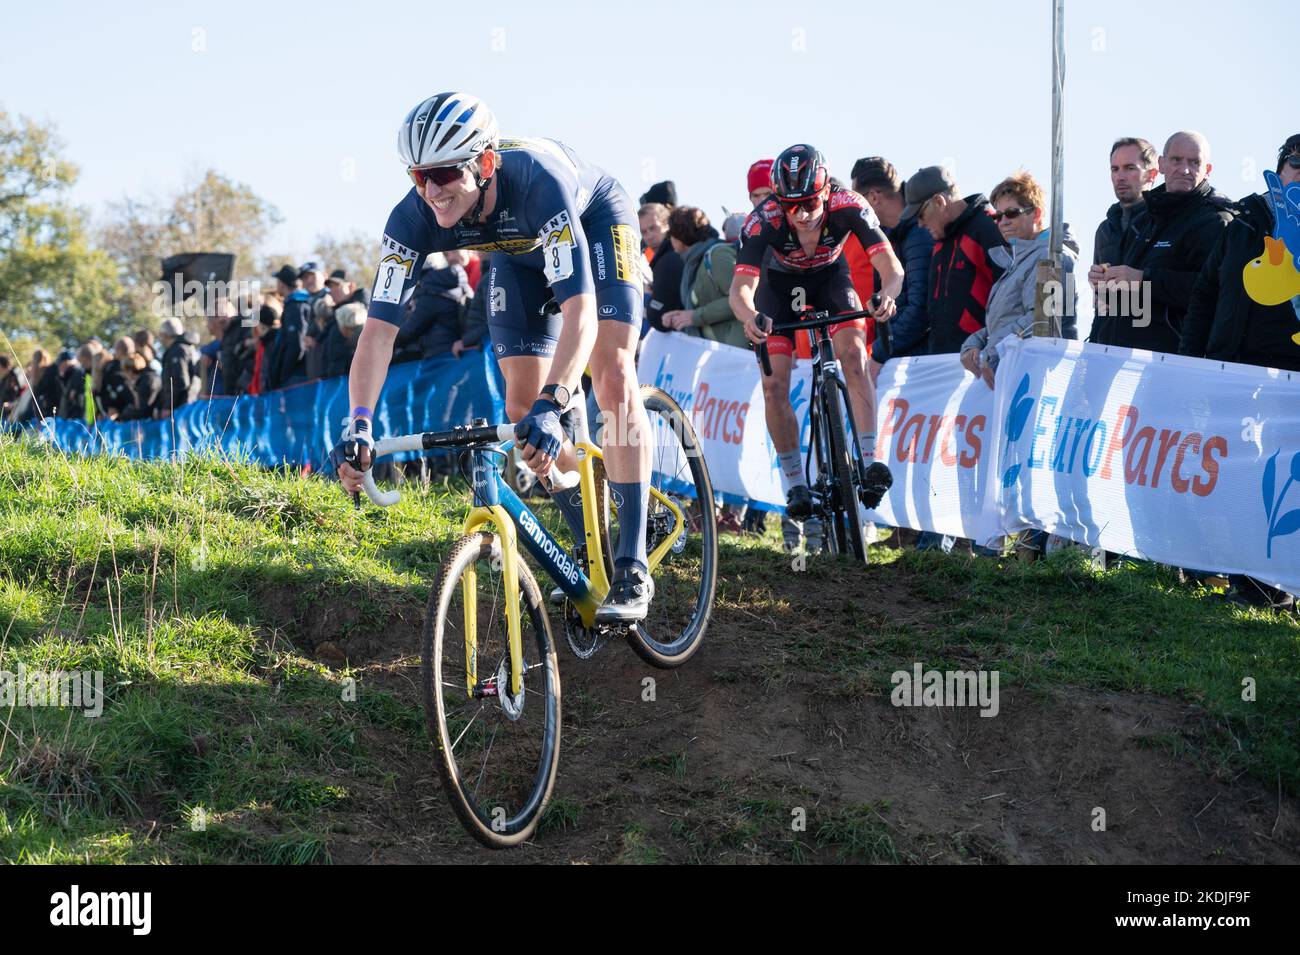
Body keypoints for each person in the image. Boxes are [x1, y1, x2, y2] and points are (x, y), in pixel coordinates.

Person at [332, 91, 658, 622]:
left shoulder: (538, 183)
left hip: (595, 224)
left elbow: (581, 311)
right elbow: (377, 333)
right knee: (518, 409)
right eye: (419, 176)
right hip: (516, 256)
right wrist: (360, 423)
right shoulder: (410, 218)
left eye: (444, 174)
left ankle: (632, 561)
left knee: (613, 373)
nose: (432, 191)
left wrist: (557, 402)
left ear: (484, 163)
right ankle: (588, 539)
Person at [729, 144, 903, 525]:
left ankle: (871, 461)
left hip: (830, 279)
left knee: (854, 360)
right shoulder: (764, 219)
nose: (802, 213)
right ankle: (795, 482)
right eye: (791, 205)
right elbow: (739, 289)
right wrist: (750, 316)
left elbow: (891, 267)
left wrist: (886, 296)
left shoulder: (849, 205)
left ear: (826, 192)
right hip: (778, 289)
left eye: (809, 202)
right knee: (774, 384)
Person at [1180, 133, 1300, 609]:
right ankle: (1241, 582)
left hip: (1289, 381)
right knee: (1235, 480)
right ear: (1279, 167)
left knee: (1282, 483)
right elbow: (1205, 294)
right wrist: (1189, 365)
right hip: (1230, 375)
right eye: (1296, 163)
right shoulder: (1244, 222)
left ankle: (1274, 590)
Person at [1090, 131, 1234, 353]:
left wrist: (1143, 278)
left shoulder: (1215, 221)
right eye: (1176, 160)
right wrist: (1106, 284)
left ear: (1207, 170)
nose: (1184, 169)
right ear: (1163, 163)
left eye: (1194, 162)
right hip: (1119, 355)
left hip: (1174, 361)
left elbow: (1216, 292)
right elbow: (1123, 298)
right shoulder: (1145, 218)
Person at [960, 170, 1079, 386]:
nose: (1003, 221)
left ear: (1036, 214)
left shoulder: (1051, 256)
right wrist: (976, 342)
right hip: (1016, 370)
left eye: (1012, 213)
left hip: (1040, 377)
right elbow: (1008, 321)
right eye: (998, 216)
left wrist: (993, 349)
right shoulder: (1016, 261)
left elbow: (1042, 321)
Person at [853, 157, 933, 377]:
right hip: (901, 358)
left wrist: (880, 352)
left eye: (856, 201)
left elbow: (919, 307)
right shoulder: (888, 236)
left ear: (874, 197)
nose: (852, 209)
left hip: (921, 366)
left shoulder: (919, 232)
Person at [662, 206, 748, 348]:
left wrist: (694, 317)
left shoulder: (717, 254)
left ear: (679, 235)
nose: (670, 240)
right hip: (726, 354)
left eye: (670, 235)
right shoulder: (695, 263)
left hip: (743, 354)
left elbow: (742, 299)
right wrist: (682, 315)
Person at [1094, 137, 1157, 269]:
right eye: (1115, 169)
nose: (1120, 177)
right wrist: (1096, 279)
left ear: (1152, 174)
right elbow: (1103, 288)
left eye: (1129, 168)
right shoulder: (1105, 230)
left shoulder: (1164, 222)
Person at [266, 265, 311, 389]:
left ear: (282, 284)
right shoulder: (294, 304)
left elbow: (296, 343)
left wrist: (284, 374)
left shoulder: (295, 306)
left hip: (295, 377)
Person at [641, 202, 683, 331]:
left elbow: (660, 317)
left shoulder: (670, 258)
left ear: (666, 224)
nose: (649, 236)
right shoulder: (663, 257)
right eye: (644, 232)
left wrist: (648, 300)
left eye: (653, 228)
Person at [157, 317, 201, 416]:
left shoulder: (178, 350)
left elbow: (179, 381)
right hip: (187, 404)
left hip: (181, 408)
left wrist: (169, 406)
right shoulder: (186, 348)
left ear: (165, 334)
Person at [117, 353, 162, 421]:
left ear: (130, 371)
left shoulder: (146, 382)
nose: (124, 375)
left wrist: (121, 418)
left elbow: (143, 410)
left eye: (124, 371)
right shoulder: (147, 379)